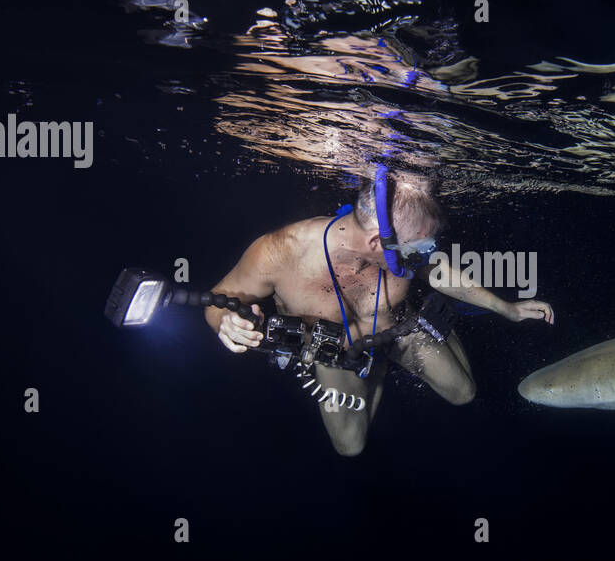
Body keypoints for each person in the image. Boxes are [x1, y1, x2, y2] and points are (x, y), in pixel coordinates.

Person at [204, 177, 554, 455]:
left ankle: (436, 328)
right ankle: (378, 371)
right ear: (377, 243)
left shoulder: (400, 250)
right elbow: (219, 298)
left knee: (463, 393)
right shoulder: (279, 251)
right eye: (418, 247)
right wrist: (225, 321)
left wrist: (508, 308)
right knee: (350, 447)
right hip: (335, 352)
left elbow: (437, 269)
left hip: (400, 327)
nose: (426, 253)